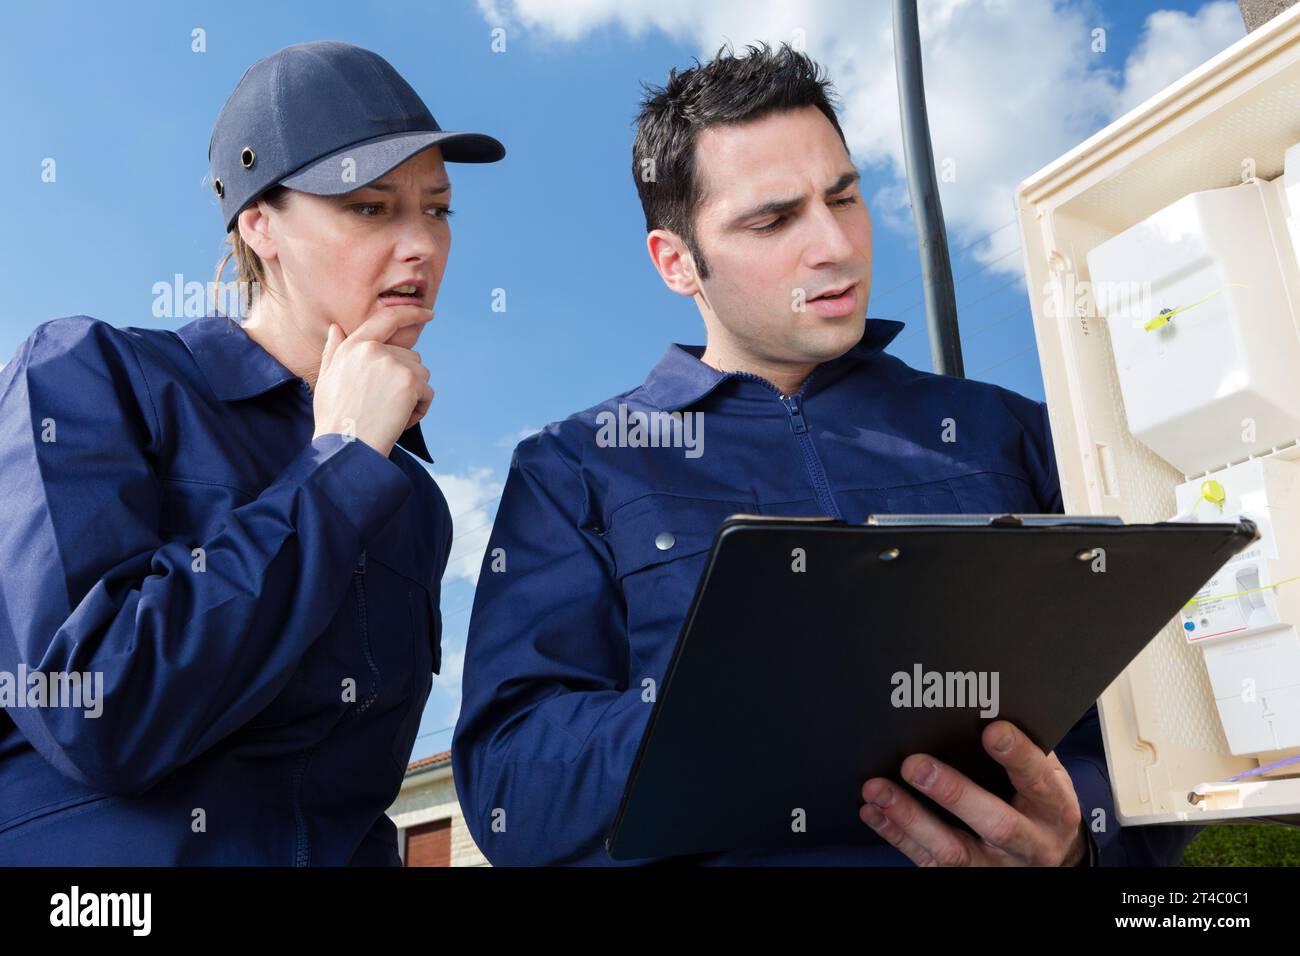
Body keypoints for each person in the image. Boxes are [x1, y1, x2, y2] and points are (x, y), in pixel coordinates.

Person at [451, 42, 1201, 866]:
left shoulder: (1012, 433)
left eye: (843, 198)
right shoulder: (576, 468)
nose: (834, 246)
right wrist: (759, 697)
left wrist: (1078, 842)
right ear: (677, 262)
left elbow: (1168, 723)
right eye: (773, 220)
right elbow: (512, 785)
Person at [0, 40, 504, 864]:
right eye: (372, 207)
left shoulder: (412, 500)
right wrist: (338, 462)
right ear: (258, 222)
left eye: (438, 209)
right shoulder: (87, 379)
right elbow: (95, 709)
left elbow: (350, 798)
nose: (422, 244)